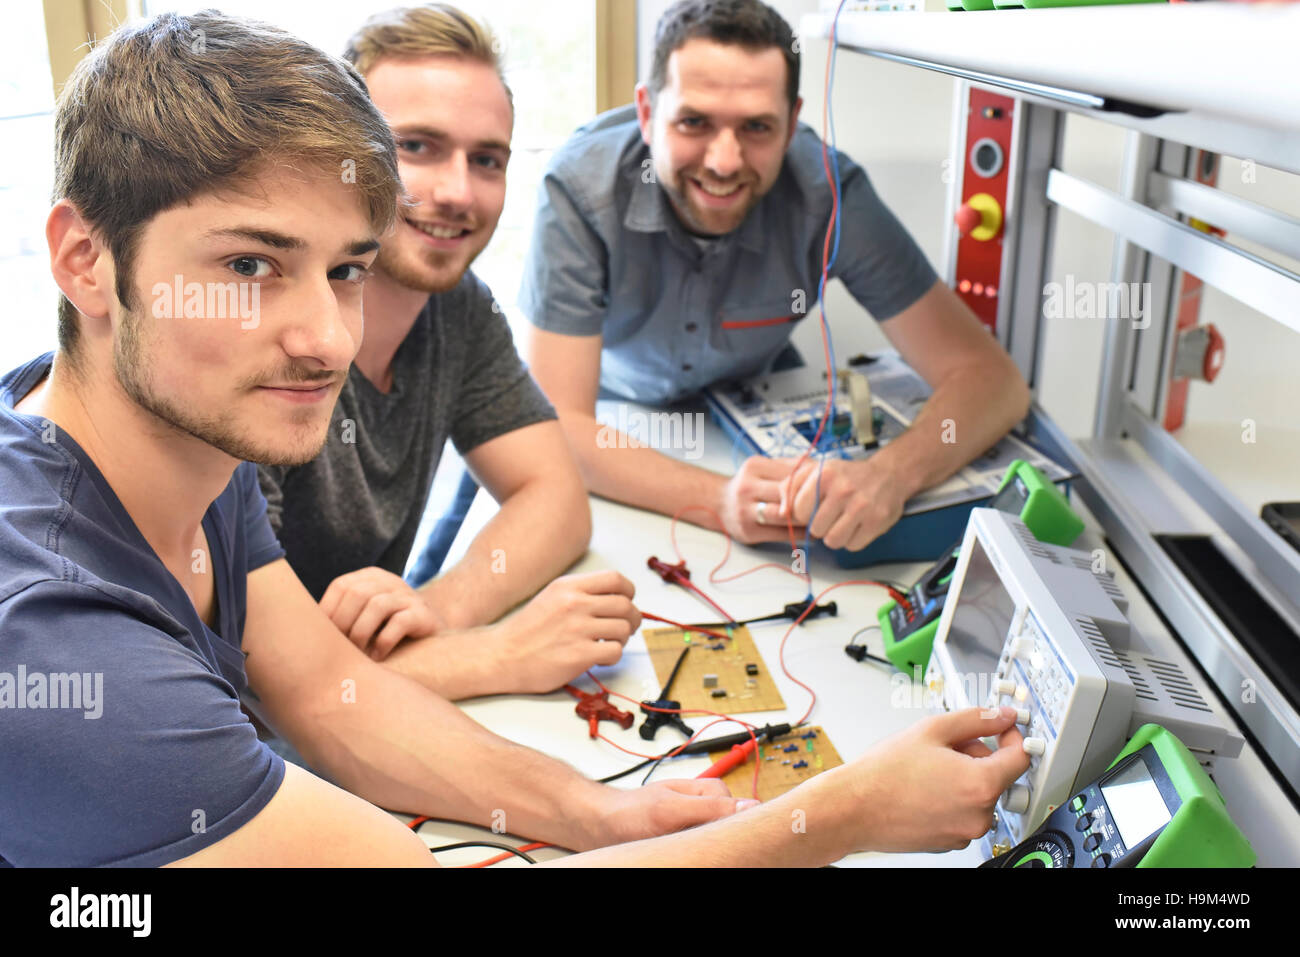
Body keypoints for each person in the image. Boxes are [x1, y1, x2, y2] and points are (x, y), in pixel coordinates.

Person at [0, 9, 1028, 868]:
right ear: (86, 261)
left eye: (345, 269)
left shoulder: (186, 444)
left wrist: (602, 812)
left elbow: (330, 698)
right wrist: (840, 817)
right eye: (249, 265)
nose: (324, 339)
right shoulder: (58, 646)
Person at [522, 0, 1031, 556]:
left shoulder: (833, 195)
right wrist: (716, 500)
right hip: (616, 419)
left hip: (751, 412)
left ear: (792, 123)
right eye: (694, 122)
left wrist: (890, 474)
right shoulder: (577, 189)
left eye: (757, 127)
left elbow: (992, 381)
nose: (723, 161)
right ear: (646, 114)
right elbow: (555, 428)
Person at [258, 4, 640, 698]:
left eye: (486, 159)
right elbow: (259, 680)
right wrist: (498, 653)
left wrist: (434, 613)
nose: (458, 192)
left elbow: (556, 498)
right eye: (418, 147)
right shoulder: (260, 342)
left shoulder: (458, 308)